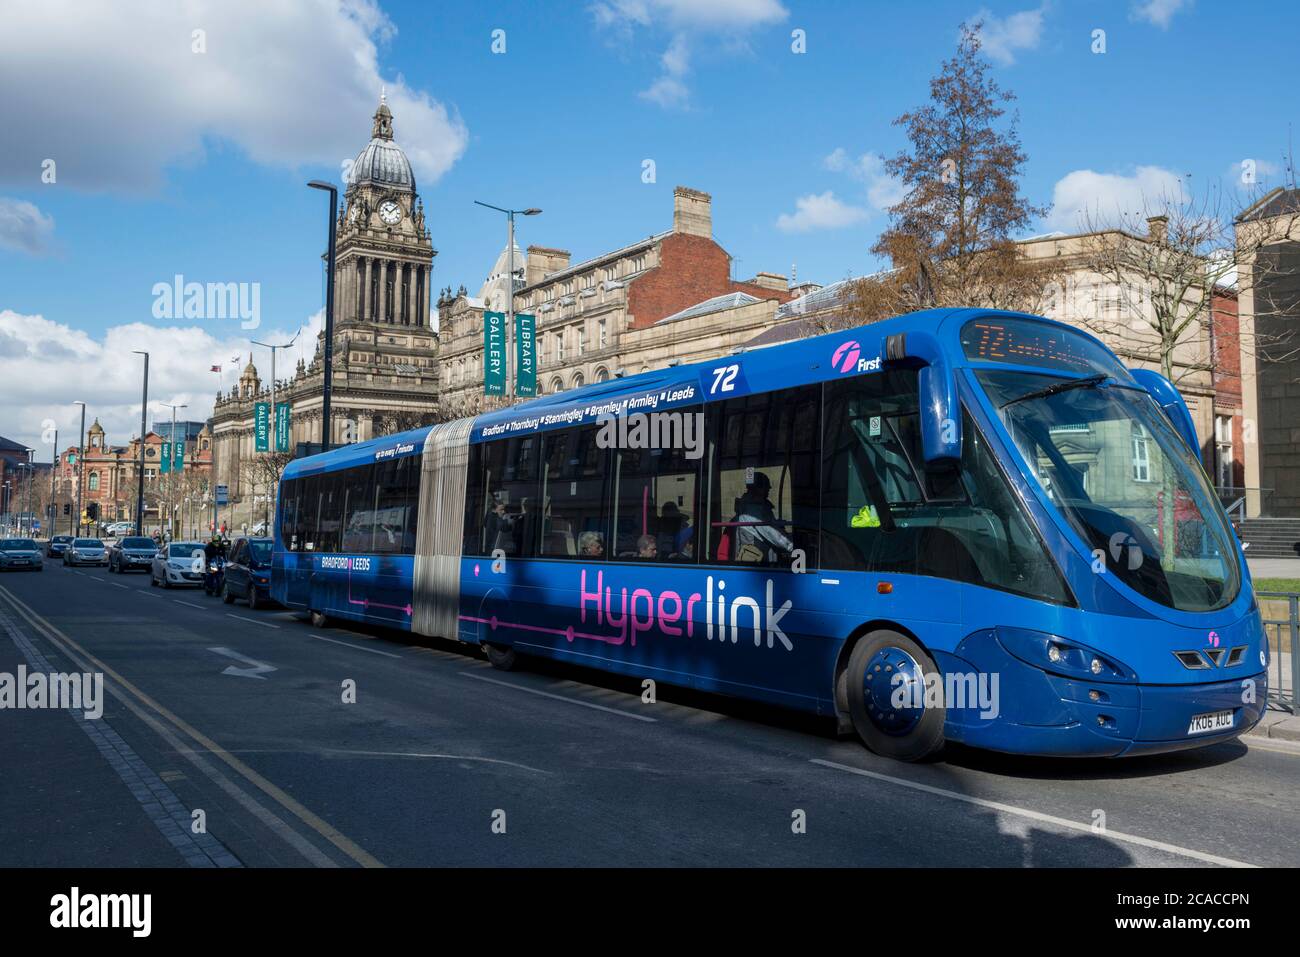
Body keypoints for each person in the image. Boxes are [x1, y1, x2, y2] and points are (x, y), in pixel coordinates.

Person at [734, 471, 793, 563]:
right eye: (766, 487)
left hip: (759, 560)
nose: (768, 490)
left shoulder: (757, 507)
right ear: (757, 489)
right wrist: (791, 545)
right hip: (756, 562)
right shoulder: (753, 510)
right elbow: (772, 533)